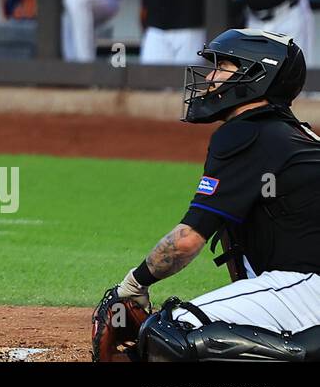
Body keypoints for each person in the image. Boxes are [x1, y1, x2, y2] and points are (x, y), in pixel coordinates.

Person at [94, 29, 320, 361]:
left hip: (307, 289)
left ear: (257, 75)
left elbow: (187, 240)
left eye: (222, 66)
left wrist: (133, 284)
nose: (210, 77)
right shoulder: (293, 132)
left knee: (171, 333)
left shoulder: (246, 132)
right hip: (303, 289)